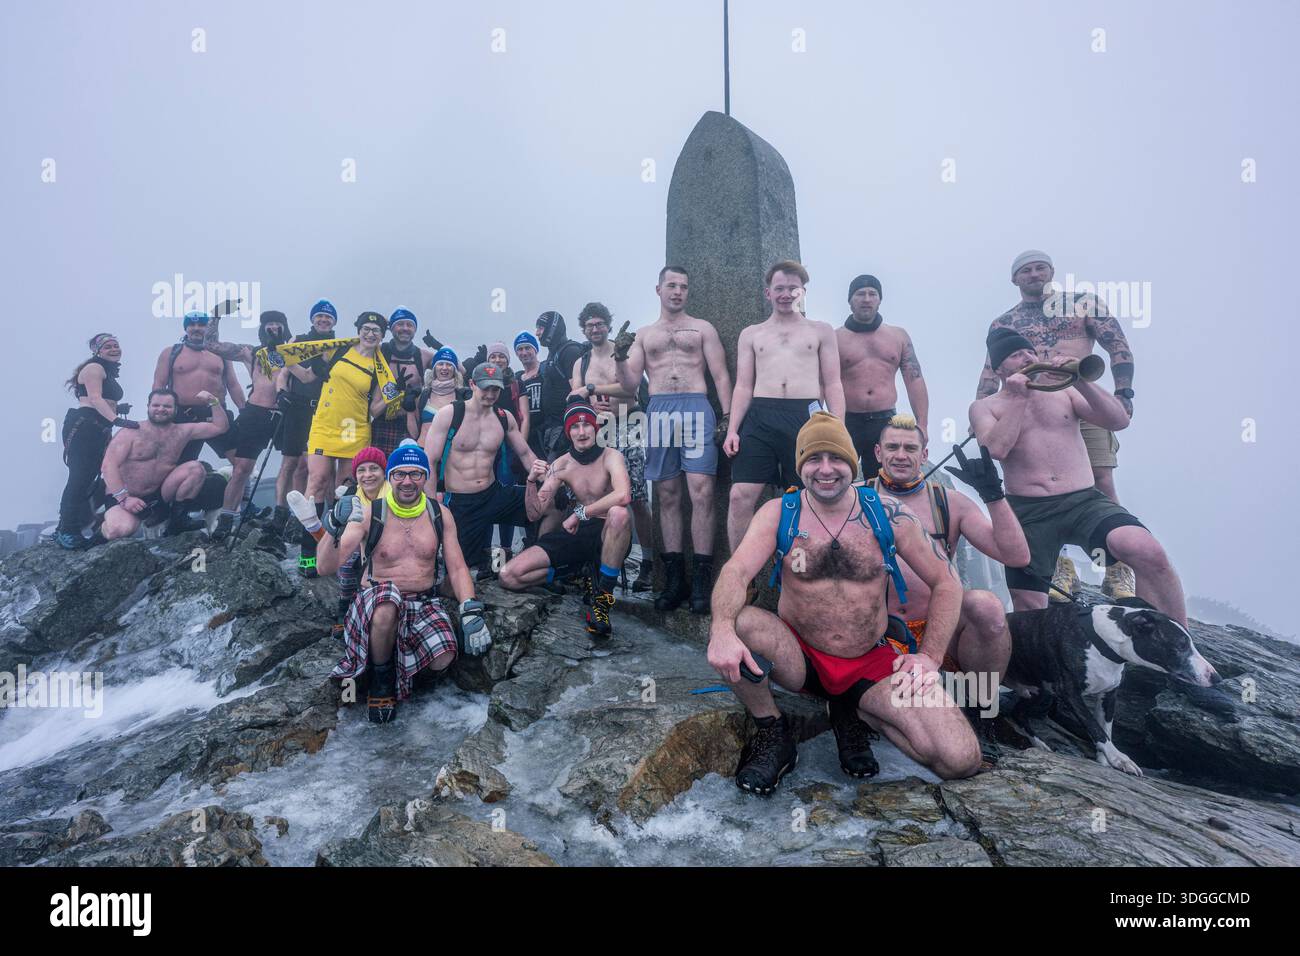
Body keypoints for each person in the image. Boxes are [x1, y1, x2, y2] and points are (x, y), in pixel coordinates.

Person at [707, 412, 979, 794]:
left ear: (853, 462)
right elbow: (735, 572)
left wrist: (930, 657)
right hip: (800, 658)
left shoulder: (887, 514)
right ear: (800, 464)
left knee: (960, 758)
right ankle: (773, 728)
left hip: (870, 661)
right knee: (740, 623)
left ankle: (855, 709)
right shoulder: (779, 513)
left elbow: (946, 581)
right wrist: (720, 630)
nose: (825, 469)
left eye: (836, 458)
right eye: (813, 459)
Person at [970, 328, 1186, 624]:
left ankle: (1176, 639)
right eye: (1015, 355)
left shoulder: (1064, 391)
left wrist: (1081, 380)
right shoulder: (984, 407)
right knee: (1029, 604)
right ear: (998, 369)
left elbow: (1118, 420)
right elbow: (996, 449)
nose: (1027, 358)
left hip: (1084, 502)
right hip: (1029, 512)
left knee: (1147, 551)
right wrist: (1019, 399)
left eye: (1029, 352)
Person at [974, 250, 1138, 600]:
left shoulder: (1083, 304)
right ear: (1015, 279)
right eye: (1026, 270)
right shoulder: (1005, 322)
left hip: (1076, 398)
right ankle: (1061, 565)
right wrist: (982, 412)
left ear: (1051, 271)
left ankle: (1115, 567)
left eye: (1040, 268)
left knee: (1101, 477)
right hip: (1027, 406)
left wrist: (1124, 392)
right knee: (1038, 487)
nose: (1034, 274)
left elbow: (1118, 346)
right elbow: (991, 368)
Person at [300, 440, 489, 724]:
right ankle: (381, 679)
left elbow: (458, 567)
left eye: (416, 474)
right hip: (376, 601)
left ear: (425, 477)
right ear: (390, 477)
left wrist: (470, 609)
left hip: (423, 601)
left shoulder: (439, 513)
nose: (407, 481)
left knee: (444, 658)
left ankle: (397, 663)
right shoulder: (370, 513)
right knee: (388, 601)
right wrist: (333, 525)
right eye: (400, 474)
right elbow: (325, 566)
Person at [869, 413, 1025, 695]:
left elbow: (1016, 556)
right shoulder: (856, 498)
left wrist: (993, 494)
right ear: (878, 453)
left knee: (987, 607)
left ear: (924, 455)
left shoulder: (949, 502)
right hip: (876, 629)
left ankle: (981, 702)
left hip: (941, 629)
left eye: (910, 448)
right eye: (892, 447)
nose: (901, 455)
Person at [613, 266, 734, 610]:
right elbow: (629, 385)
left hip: (696, 408)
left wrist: (728, 417)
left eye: (683, 286)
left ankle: (702, 580)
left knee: (702, 491)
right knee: (667, 494)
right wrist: (619, 357)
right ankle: (674, 579)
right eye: (671, 285)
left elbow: (721, 376)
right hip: (660, 410)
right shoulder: (644, 335)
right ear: (659, 289)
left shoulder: (702, 329)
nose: (678, 291)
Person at [724, 260, 845, 552]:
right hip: (760, 416)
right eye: (780, 288)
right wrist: (732, 430)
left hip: (805, 416)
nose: (786, 294)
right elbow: (743, 385)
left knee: (810, 496)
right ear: (768, 292)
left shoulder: (821, 331)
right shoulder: (751, 334)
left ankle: (810, 567)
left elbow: (833, 383)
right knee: (739, 496)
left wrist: (838, 428)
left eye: (793, 289)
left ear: (802, 292)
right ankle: (740, 570)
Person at [499, 401, 633, 637]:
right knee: (509, 576)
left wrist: (580, 513)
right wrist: (531, 481)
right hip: (578, 533)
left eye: (586, 425)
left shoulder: (611, 456)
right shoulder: (561, 464)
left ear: (596, 428)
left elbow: (623, 495)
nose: (581, 432)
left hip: (609, 533)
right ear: (568, 432)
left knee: (619, 513)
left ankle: (601, 602)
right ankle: (572, 571)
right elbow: (534, 513)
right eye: (574, 427)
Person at [296, 311, 404, 576]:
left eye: (376, 331)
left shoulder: (381, 368)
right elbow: (307, 377)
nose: (370, 334)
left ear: (382, 336)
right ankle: (307, 551)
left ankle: (335, 550)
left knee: (344, 491)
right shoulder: (338, 349)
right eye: (366, 328)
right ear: (358, 330)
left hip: (355, 430)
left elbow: (375, 409)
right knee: (317, 482)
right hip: (325, 424)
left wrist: (394, 393)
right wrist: (286, 362)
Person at [422, 362, 540, 575]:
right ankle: (480, 568)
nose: (491, 394)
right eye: (485, 388)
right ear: (472, 384)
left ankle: (536, 557)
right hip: (462, 502)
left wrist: (550, 481)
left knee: (548, 502)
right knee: (460, 570)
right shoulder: (450, 414)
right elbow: (430, 461)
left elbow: (525, 454)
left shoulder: (503, 417)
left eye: (495, 389)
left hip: (494, 493)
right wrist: (432, 507)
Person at [569, 302, 654, 592]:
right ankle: (599, 560)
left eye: (600, 324)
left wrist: (593, 389)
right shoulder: (581, 362)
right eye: (590, 325)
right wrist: (588, 401)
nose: (595, 329)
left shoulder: (623, 351)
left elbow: (631, 388)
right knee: (600, 495)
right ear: (584, 329)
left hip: (629, 423)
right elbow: (575, 393)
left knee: (637, 495)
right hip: (598, 429)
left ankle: (648, 562)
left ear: (608, 325)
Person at [200, 309, 292, 540]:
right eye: (269, 324)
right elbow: (211, 345)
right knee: (242, 469)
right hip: (256, 414)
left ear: (285, 327)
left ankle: (285, 518)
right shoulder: (251, 352)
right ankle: (225, 522)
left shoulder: (296, 352)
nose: (273, 327)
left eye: (277, 323)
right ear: (262, 328)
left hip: (287, 414)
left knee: (295, 466)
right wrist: (216, 315)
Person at [98, 389, 229, 541]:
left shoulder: (183, 431)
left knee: (196, 469)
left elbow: (220, 427)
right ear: (148, 407)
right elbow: (108, 466)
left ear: (175, 409)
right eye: (156, 405)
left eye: (167, 406)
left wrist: (213, 401)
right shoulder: (130, 432)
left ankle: (178, 521)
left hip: (158, 495)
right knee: (118, 530)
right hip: (124, 496)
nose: (161, 409)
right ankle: (99, 533)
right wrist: (124, 499)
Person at [836, 275, 929, 478]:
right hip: (847, 420)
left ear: (880, 300)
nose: (866, 299)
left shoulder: (898, 336)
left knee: (884, 481)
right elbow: (823, 383)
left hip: (885, 420)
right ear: (850, 300)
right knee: (840, 476)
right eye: (860, 294)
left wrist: (922, 424)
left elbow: (914, 380)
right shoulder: (835, 339)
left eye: (872, 294)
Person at [57, 334, 135, 549]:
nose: (114, 349)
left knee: (87, 478)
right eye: (108, 346)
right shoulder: (94, 368)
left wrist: (118, 408)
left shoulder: (103, 370)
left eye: (116, 345)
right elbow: (94, 398)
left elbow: (97, 400)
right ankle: (67, 530)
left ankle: (66, 528)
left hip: (96, 427)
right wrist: (117, 419)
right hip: (84, 426)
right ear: (97, 351)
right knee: (79, 478)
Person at [270, 300, 338, 541]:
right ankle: (281, 513)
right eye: (319, 316)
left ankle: (331, 514)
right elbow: (283, 374)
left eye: (328, 318)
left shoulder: (337, 345)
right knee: (290, 462)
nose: (323, 320)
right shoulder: (298, 340)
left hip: (324, 409)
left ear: (334, 322)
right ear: (312, 319)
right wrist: (281, 393)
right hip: (297, 406)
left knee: (322, 465)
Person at [152, 310, 244, 469]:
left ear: (208, 328)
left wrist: (244, 410)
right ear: (186, 328)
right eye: (192, 325)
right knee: (177, 467)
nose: (196, 328)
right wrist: (156, 417)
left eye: (201, 325)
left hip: (217, 413)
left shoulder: (221, 353)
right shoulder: (171, 352)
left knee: (242, 464)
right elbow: (158, 385)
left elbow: (233, 384)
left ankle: (240, 487)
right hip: (183, 416)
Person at [486, 340, 530, 559]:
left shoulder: (516, 383)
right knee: (484, 496)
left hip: (509, 448)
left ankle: (505, 551)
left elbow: (525, 416)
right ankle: (485, 553)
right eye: (493, 356)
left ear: (508, 359)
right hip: (486, 446)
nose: (497, 360)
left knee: (507, 496)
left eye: (501, 356)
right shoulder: (482, 382)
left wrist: (521, 448)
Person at [371, 307, 433, 456]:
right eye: (400, 324)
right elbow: (359, 343)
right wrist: (395, 392)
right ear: (391, 328)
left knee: (410, 470)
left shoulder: (423, 356)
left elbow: (457, 370)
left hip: (411, 424)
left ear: (415, 329)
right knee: (379, 469)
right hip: (382, 423)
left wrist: (439, 346)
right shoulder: (379, 352)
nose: (405, 328)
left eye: (409, 325)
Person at [534, 311, 587, 460]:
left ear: (552, 328)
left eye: (541, 328)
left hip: (566, 428)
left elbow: (578, 392)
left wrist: (570, 429)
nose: (537, 333)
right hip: (553, 427)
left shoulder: (570, 351)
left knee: (557, 470)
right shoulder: (553, 353)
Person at [417, 347, 463, 445]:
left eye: (449, 364)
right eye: (440, 364)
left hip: (450, 451)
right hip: (423, 449)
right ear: (434, 369)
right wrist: (409, 409)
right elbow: (414, 429)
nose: (444, 368)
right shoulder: (424, 394)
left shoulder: (462, 396)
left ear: (455, 370)